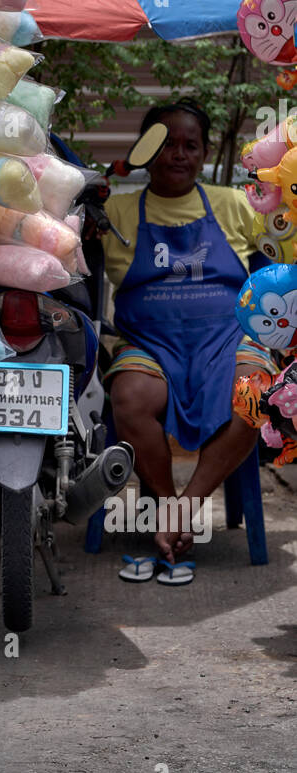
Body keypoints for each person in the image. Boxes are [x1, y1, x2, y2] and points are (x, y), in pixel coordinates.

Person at [102, 99, 279, 580]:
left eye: (190, 145)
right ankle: (166, 503)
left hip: (226, 342)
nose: (178, 154)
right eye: (166, 144)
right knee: (130, 396)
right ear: (145, 149)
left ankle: (184, 509)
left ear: (202, 154)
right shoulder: (113, 211)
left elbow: (281, 249)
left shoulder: (235, 204)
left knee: (254, 396)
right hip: (149, 346)